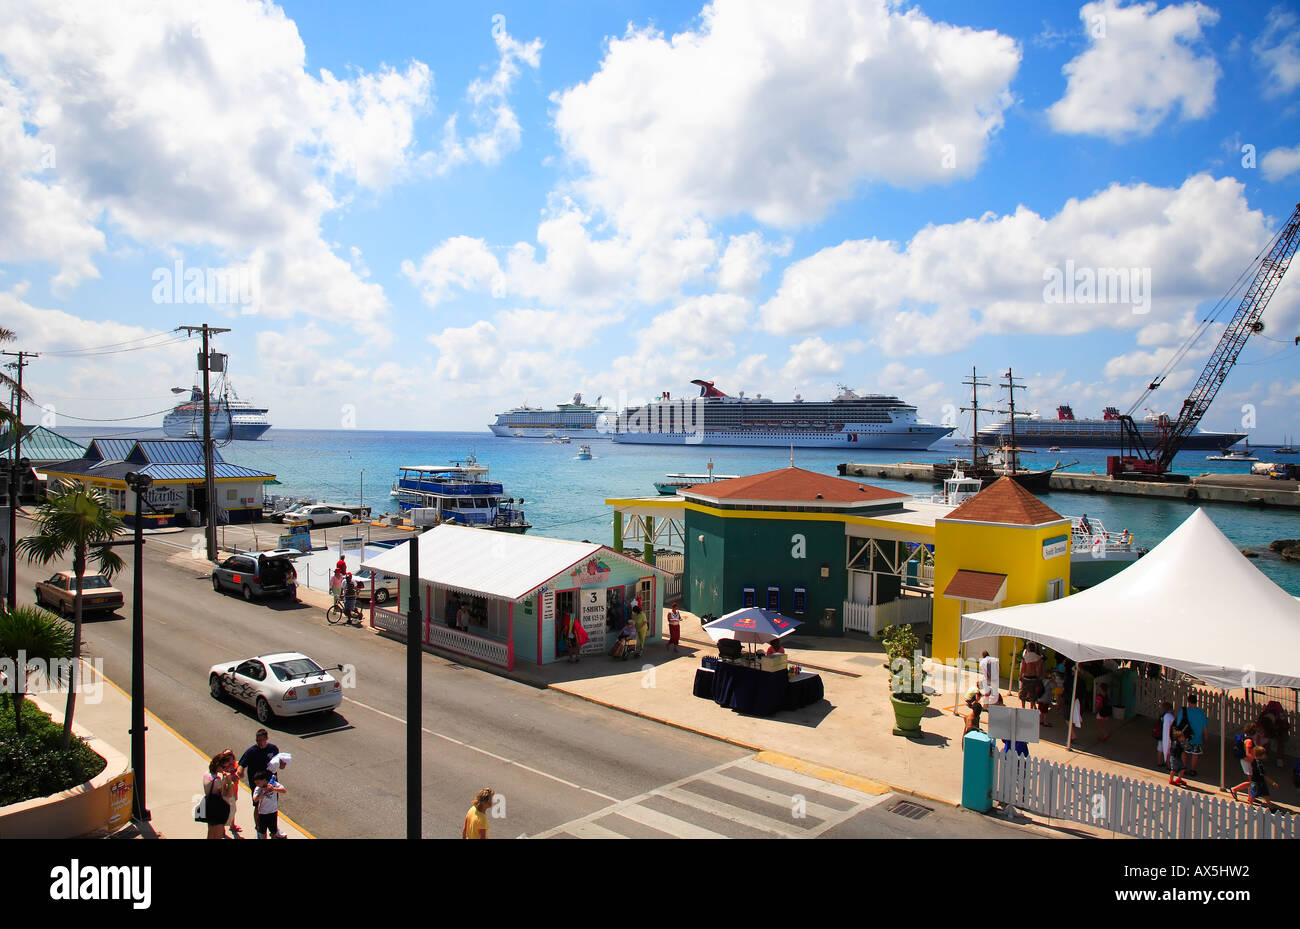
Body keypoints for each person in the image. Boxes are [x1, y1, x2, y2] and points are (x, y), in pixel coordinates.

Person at [201, 750, 238, 839]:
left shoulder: (207, 775)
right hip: (217, 811)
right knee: (217, 835)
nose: (225, 768)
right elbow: (228, 794)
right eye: (223, 766)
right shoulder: (217, 781)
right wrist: (228, 782)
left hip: (209, 808)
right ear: (218, 766)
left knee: (210, 833)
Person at [1177, 694, 1209, 777]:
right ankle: (1193, 770)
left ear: (1188, 702)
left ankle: (1184, 768)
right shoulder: (1200, 712)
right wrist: (1205, 735)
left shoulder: (1184, 711)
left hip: (1186, 736)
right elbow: (1205, 725)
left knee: (1184, 752)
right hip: (1197, 737)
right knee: (1195, 754)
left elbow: (1179, 723)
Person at [252, 770, 287, 839]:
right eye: (256, 783)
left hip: (273, 812)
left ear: (264, 780)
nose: (257, 784)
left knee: (273, 832)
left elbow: (284, 790)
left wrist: (273, 788)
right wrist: (264, 791)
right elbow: (255, 799)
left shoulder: (273, 784)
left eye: (258, 782)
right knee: (263, 832)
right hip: (262, 814)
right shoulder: (258, 789)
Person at [1156, 701, 1175, 768]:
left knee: (1160, 749)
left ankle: (1159, 762)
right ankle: (1168, 764)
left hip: (1160, 735)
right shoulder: (1169, 716)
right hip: (1167, 735)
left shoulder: (1162, 716)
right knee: (1168, 750)